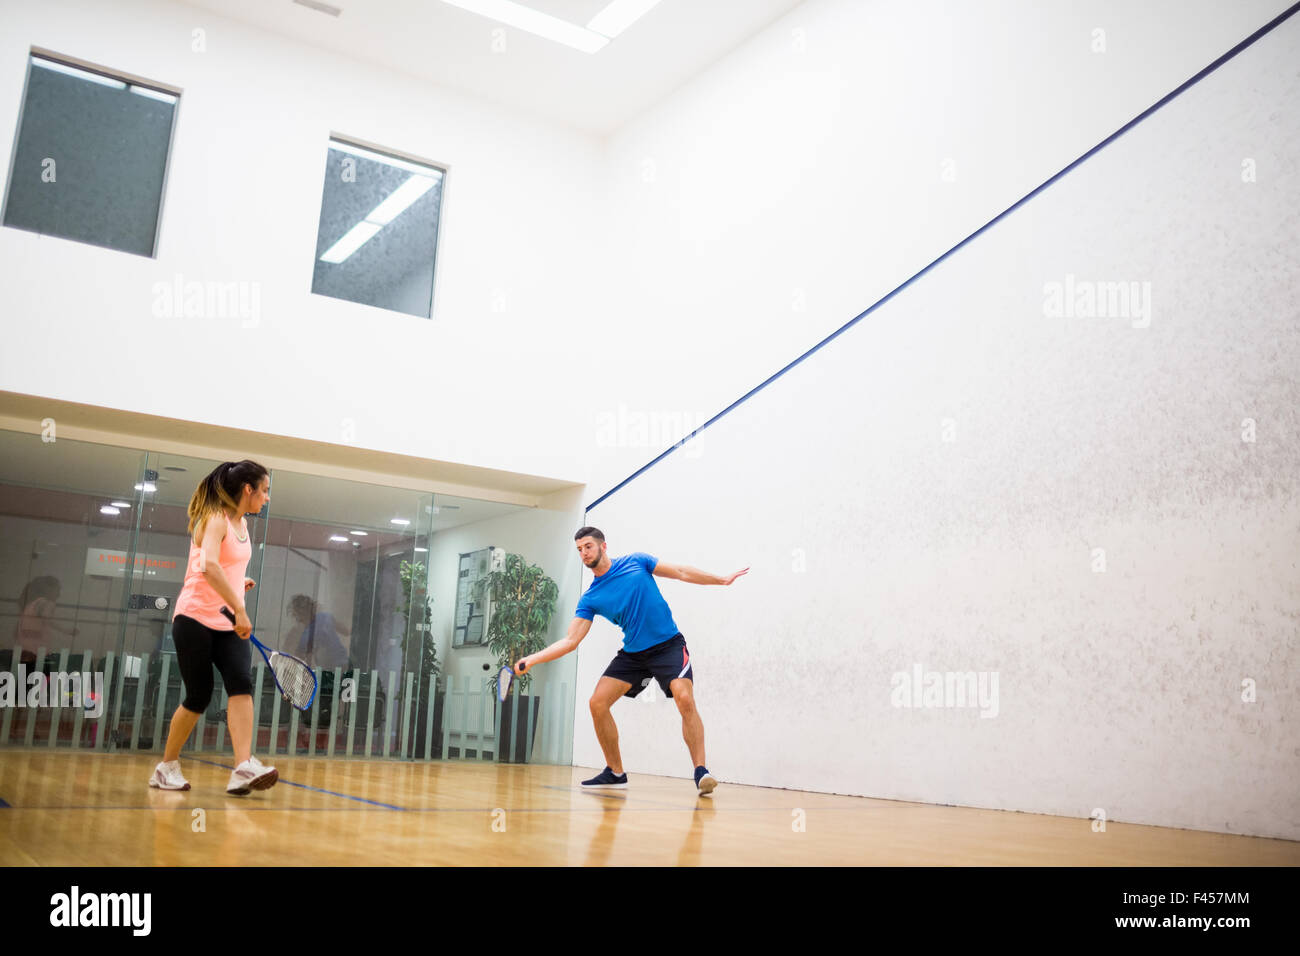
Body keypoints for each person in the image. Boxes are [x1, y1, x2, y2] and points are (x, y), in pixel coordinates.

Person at [515, 527, 747, 795]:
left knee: (684, 698)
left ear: (603, 546)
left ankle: (701, 771)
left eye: (588, 546)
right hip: (634, 655)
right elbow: (570, 641)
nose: (583, 553)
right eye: (579, 549)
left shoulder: (637, 562)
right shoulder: (591, 598)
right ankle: (615, 772)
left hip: (668, 646)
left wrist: (720, 579)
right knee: (597, 703)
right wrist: (532, 659)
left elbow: (681, 572)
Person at [149, 460, 278, 795]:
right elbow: (207, 565)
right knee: (199, 693)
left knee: (241, 682)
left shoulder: (243, 524)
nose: (266, 498)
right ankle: (166, 767)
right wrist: (239, 607)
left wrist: (239, 583)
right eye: (264, 491)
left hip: (224, 619)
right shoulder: (214, 518)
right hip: (193, 618)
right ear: (247, 489)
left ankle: (242, 767)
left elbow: (224, 566)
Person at [12, 576, 78, 666]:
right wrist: (67, 631)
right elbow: (47, 620)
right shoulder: (46, 603)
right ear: (49, 590)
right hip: (37, 653)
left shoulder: (31, 604)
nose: (59, 594)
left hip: (24, 652)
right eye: (58, 589)